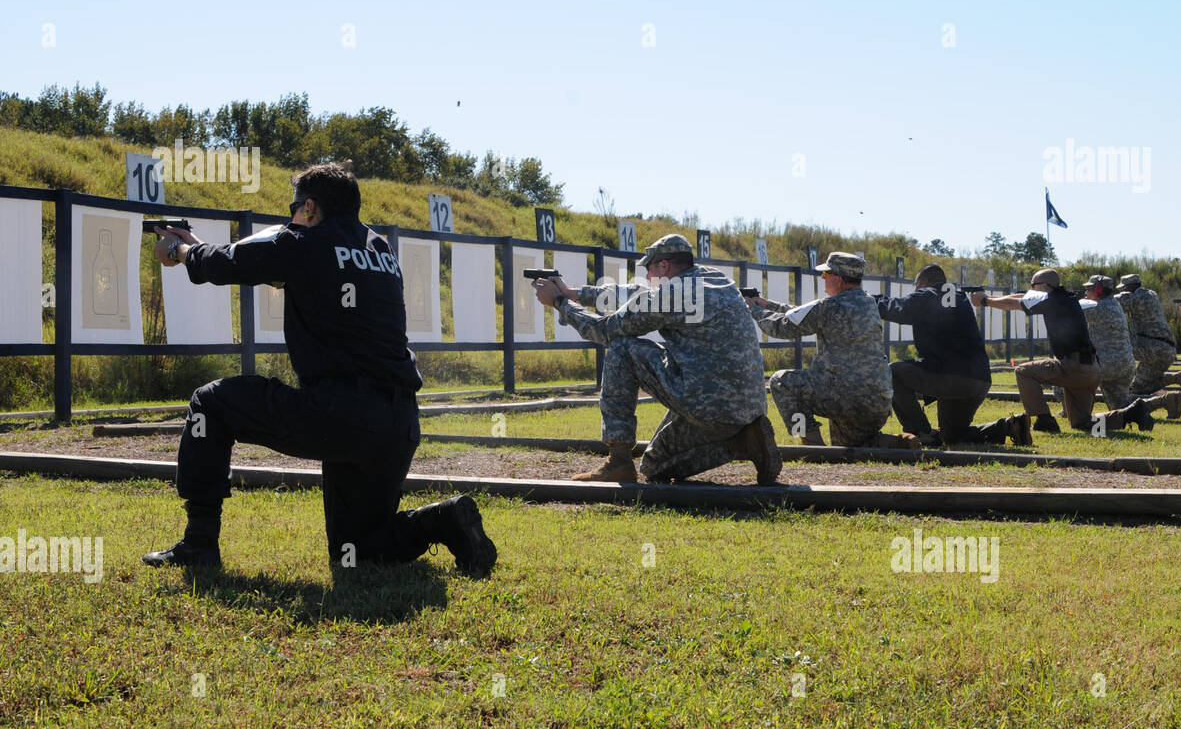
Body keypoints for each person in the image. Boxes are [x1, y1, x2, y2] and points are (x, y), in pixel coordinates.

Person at [144, 161, 497, 576]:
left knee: (210, 403)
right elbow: (271, 262)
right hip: (397, 423)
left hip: (339, 413)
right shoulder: (379, 249)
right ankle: (443, 520)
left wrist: (181, 251)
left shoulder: (304, 243)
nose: (291, 217)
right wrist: (200, 246)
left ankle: (198, 544)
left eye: (293, 208)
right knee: (358, 549)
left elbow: (229, 265)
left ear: (309, 208)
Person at [533, 233, 781, 484]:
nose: (648, 277)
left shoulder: (673, 294)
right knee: (655, 465)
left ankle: (618, 459)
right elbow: (636, 293)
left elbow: (604, 330)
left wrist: (559, 302)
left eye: (650, 270)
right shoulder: (717, 278)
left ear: (664, 266)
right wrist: (576, 293)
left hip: (707, 404)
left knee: (622, 348)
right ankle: (744, 441)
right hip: (747, 407)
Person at [747, 251, 912, 448]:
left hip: (845, 396)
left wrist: (754, 310)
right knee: (848, 443)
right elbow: (806, 313)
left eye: (826, 274)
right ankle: (900, 444)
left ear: (839, 279)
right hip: (878, 401)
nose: (822, 278)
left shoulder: (829, 306)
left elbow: (779, 328)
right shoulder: (868, 303)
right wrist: (768, 304)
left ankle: (812, 444)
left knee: (780, 381)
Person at [974, 268, 1153, 434]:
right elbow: (1024, 296)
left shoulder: (1052, 301)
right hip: (1091, 369)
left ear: (1044, 286)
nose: (1031, 290)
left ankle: (1044, 420)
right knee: (1082, 423)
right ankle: (1131, 414)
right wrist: (989, 296)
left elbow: (1016, 304)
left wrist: (985, 301)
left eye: (1033, 286)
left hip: (1074, 367)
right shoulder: (1064, 298)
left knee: (1023, 372)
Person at [876, 263, 1032, 447]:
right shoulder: (958, 297)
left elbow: (896, 308)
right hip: (978, 379)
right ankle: (1009, 426)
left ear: (924, 282)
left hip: (951, 377)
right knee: (952, 437)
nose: (915, 291)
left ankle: (921, 432)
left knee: (893, 372)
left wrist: (870, 299)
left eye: (916, 287)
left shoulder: (928, 295)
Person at [1078, 275, 1181, 419]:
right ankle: (1162, 401)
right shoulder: (1114, 304)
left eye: (1088, 289)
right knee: (1122, 407)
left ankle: (1073, 414)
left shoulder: (1099, 307)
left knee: (1066, 376)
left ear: (1098, 290)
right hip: (1125, 363)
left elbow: (1073, 312)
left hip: (1109, 363)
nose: (1086, 293)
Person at [1115, 273, 1181, 395]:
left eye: (1123, 289)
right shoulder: (1151, 294)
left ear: (1128, 288)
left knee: (1116, 342)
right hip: (1164, 350)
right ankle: (1178, 378)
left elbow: (1111, 305)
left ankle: (1110, 377)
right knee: (1138, 389)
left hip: (1153, 348)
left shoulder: (1135, 297)